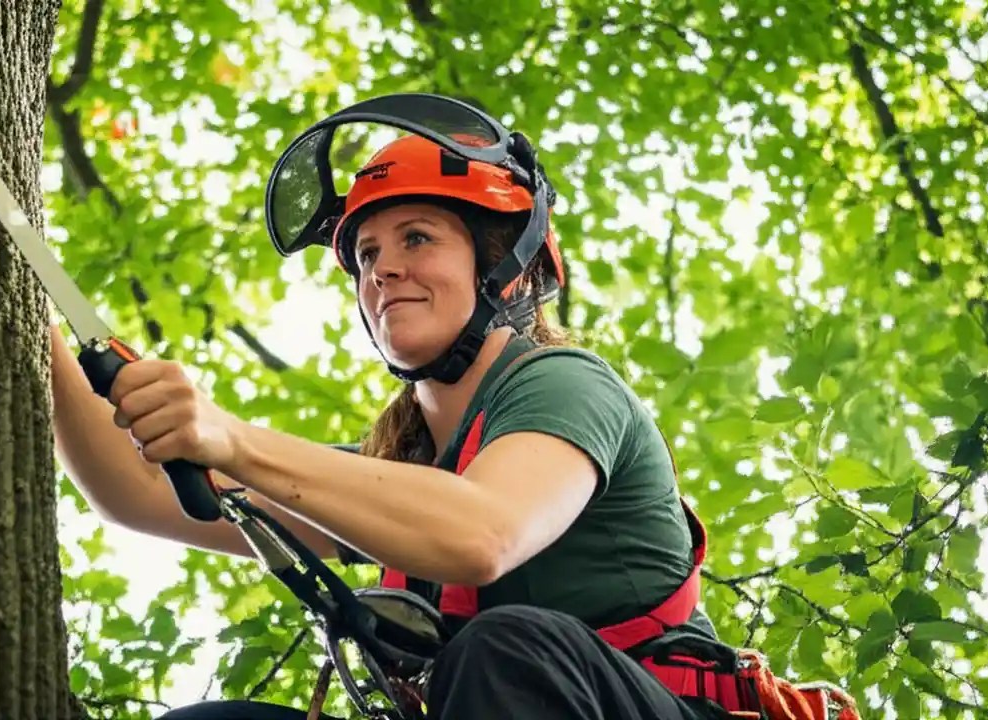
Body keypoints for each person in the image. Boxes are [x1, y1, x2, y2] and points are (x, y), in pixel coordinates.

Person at [51, 96, 736, 720]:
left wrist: (230, 437)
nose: (381, 270)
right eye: (367, 253)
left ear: (503, 265)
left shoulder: (566, 384)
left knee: (506, 648)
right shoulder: (396, 473)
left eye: (417, 238)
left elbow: (480, 535)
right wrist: (36, 320)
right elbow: (139, 491)